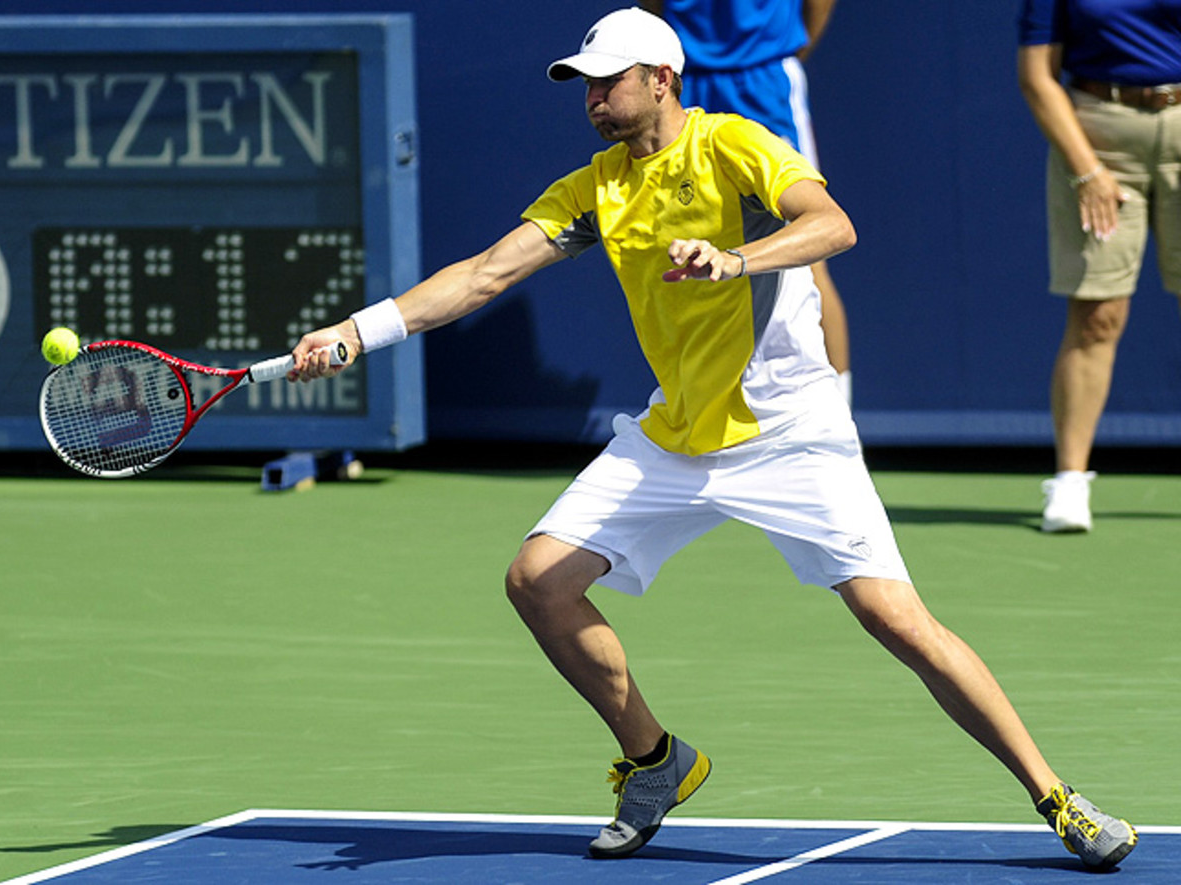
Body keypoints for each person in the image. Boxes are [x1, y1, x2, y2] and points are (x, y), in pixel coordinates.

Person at [291, 8, 1137, 869]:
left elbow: (833, 224)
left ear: (662, 78)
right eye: (585, 85)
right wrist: (358, 332)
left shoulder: (734, 145)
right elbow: (483, 274)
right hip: (676, 432)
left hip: (791, 427)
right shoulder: (593, 189)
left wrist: (737, 259)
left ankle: (1056, 796)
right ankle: (655, 759)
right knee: (537, 580)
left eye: (609, 81)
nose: (593, 99)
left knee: (897, 619)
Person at [1017, 0, 1181, 533]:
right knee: (1098, 314)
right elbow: (1037, 74)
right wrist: (1087, 171)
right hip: (1098, 135)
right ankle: (1070, 480)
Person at [639, 0, 852, 405]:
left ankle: (840, 415)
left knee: (809, 260)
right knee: (687, 256)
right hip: (687, 82)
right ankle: (697, 411)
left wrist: (775, 51)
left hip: (764, 82)